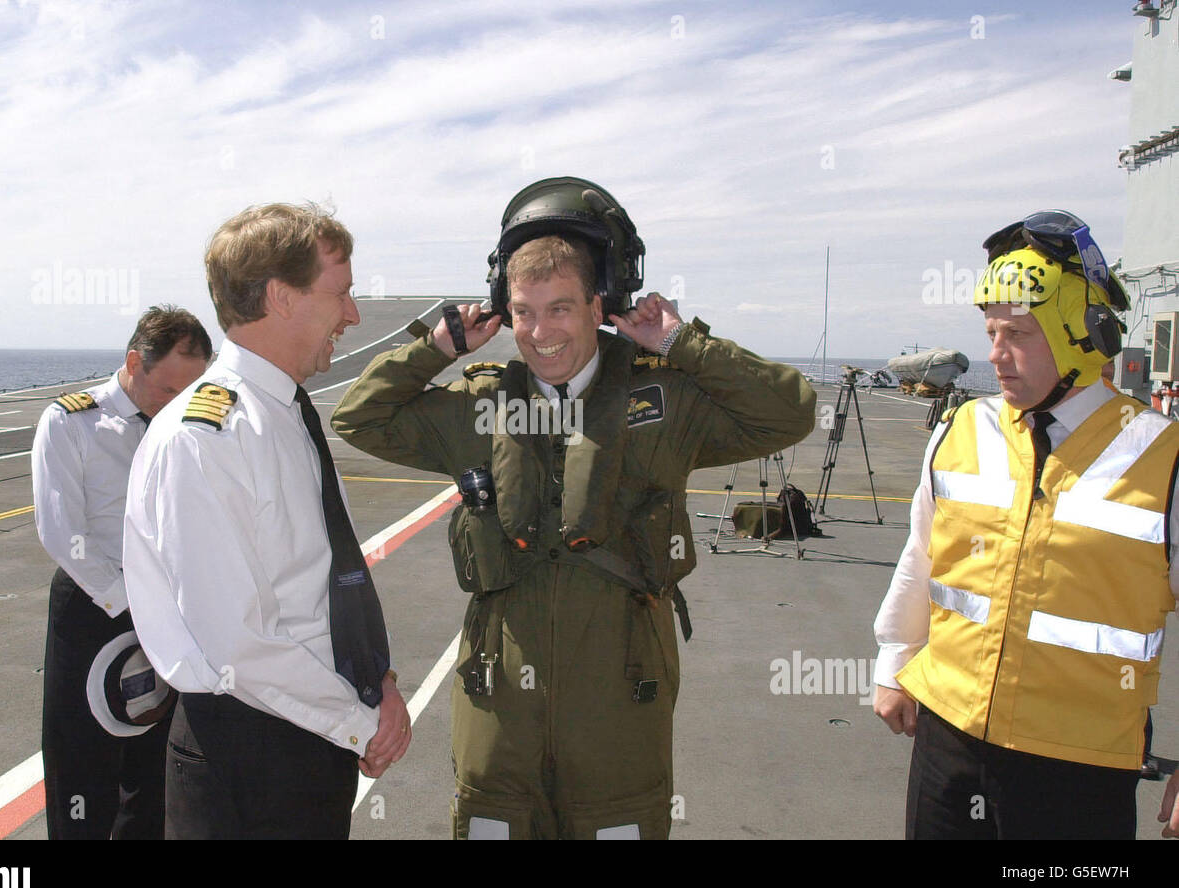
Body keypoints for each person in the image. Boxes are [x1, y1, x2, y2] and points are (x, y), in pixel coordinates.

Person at [332, 177, 816, 839]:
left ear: (601, 305)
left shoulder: (665, 403)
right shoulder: (481, 407)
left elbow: (789, 412)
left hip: (619, 715)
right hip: (499, 719)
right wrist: (437, 346)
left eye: (560, 309)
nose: (539, 333)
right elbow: (361, 418)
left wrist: (684, 345)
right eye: (524, 312)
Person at [873, 210, 1179, 840]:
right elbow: (922, 556)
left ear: (1079, 335)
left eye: (1015, 333)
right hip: (948, 739)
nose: (994, 355)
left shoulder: (1162, 457)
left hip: (1079, 763)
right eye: (990, 332)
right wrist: (894, 661)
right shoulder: (960, 430)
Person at [122, 202, 411, 840]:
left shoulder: (284, 410)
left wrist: (376, 683)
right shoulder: (206, 436)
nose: (354, 314)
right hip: (248, 762)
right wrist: (365, 722)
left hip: (314, 733)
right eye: (341, 293)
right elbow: (236, 640)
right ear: (282, 297)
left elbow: (321, 580)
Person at [31, 304, 212, 840]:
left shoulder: (187, 427)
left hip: (168, 612)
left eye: (190, 390)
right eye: (167, 389)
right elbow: (60, 531)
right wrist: (130, 601)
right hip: (95, 605)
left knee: (154, 759)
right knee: (81, 757)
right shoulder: (71, 422)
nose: (177, 403)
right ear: (134, 362)